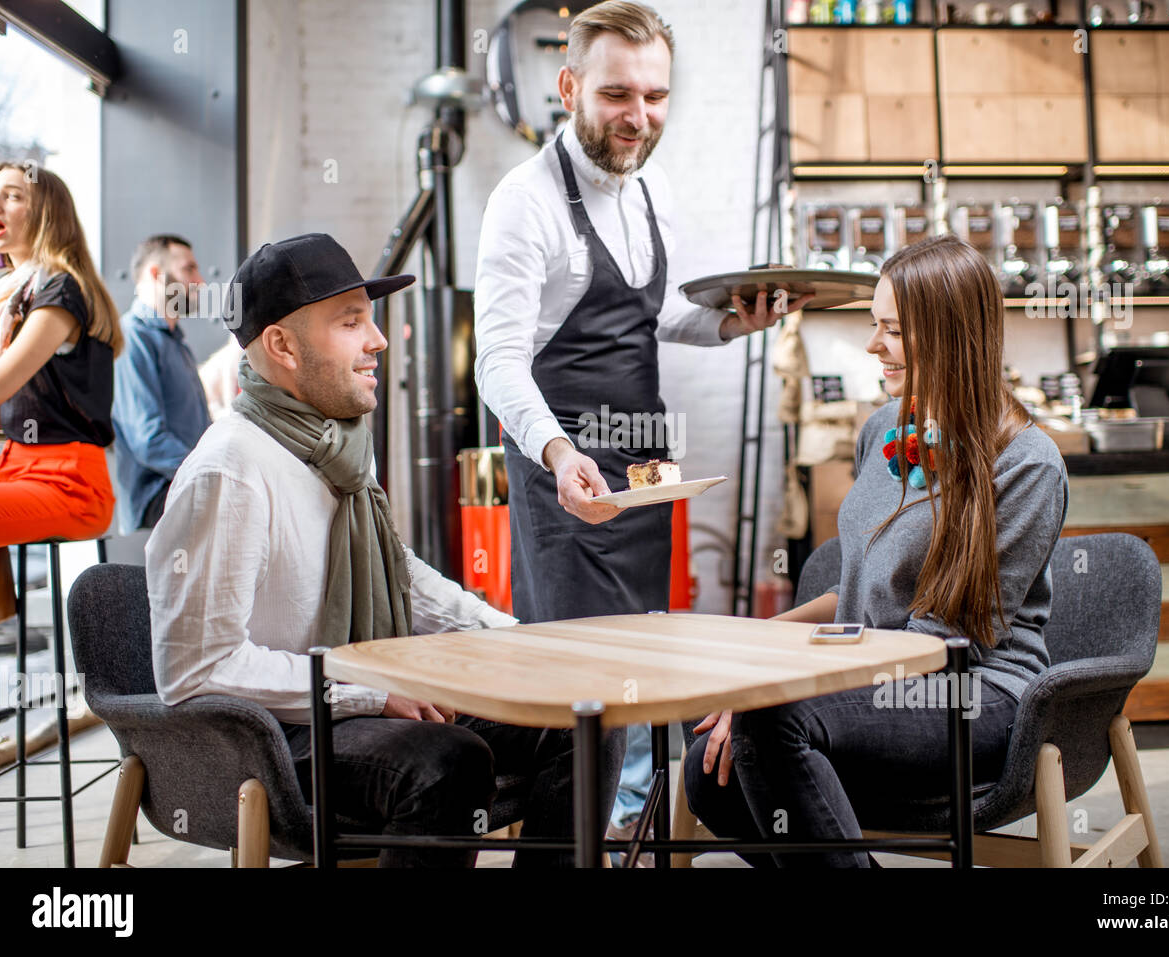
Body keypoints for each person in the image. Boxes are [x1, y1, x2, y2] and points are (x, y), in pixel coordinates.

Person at [147, 233, 625, 867]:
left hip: (346, 700)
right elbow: (197, 670)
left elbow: (399, 572)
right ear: (282, 346)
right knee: (446, 762)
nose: (377, 340)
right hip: (277, 734)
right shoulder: (229, 470)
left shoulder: (336, 444)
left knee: (585, 710)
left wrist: (518, 643)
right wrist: (368, 691)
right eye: (351, 322)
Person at [473, 0, 807, 859]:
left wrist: (735, 322)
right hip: (570, 477)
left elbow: (652, 316)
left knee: (637, 678)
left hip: (645, 473)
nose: (639, 117)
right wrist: (558, 451)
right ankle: (562, 858)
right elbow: (497, 361)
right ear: (569, 85)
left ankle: (625, 846)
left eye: (655, 97)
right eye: (618, 94)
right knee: (580, 702)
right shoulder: (525, 203)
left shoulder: (638, 190)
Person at [683, 235, 1070, 867]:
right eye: (874, 324)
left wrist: (773, 690)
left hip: (975, 693)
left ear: (947, 337)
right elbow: (859, 591)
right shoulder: (884, 429)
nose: (872, 345)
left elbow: (940, 641)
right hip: (876, 682)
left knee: (768, 723)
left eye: (891, 329)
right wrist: (743, 651)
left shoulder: (1027, 464)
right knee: (708, 770)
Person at [0, 162, 121, 549]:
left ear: (47, 212)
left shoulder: (62, 292)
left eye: (12, 195)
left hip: (68, 483)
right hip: (12, 468)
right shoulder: (9, 299)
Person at [111, 234, 212, 530]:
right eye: (189, 269)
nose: (201, 281)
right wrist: (211, 472)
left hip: (186, 484)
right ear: (156, 274)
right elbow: (148, 441)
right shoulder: (131, 338)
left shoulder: (176, 344)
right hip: (157, 498)